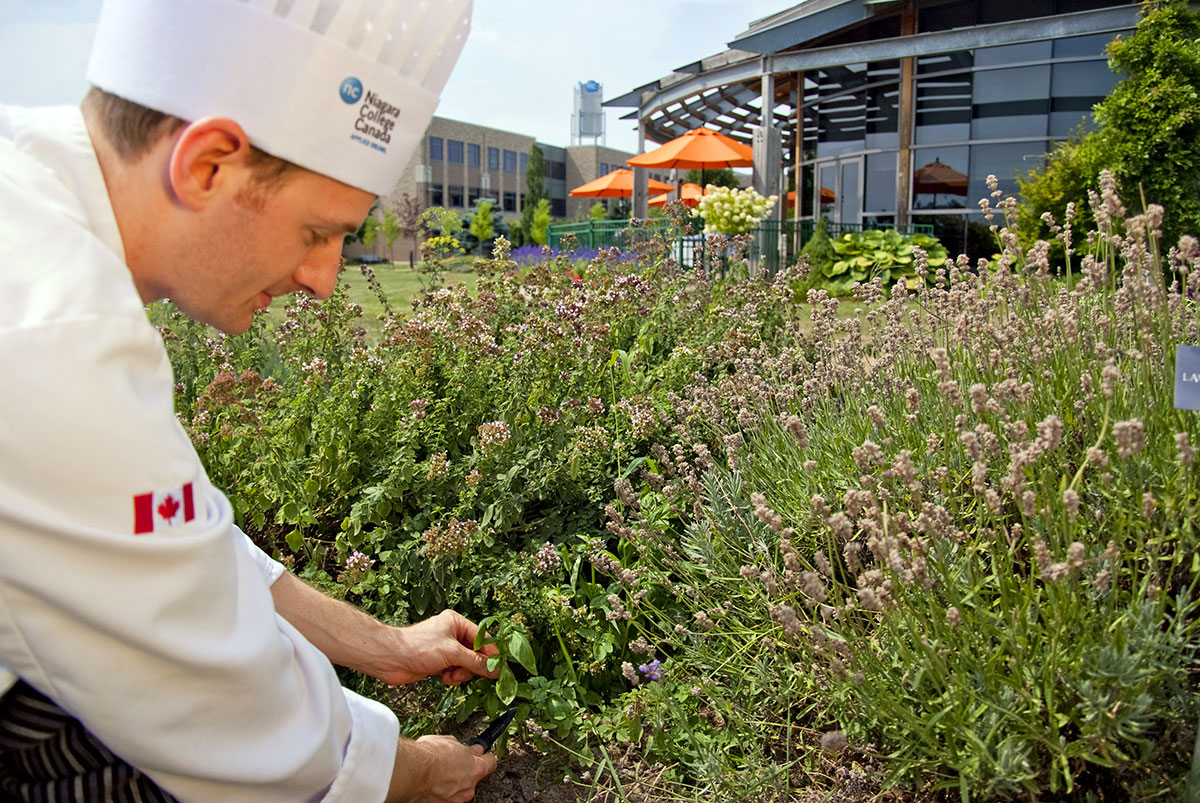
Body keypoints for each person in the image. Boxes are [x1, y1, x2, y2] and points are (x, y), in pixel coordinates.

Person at [0, 1, 499, 800]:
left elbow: (177, 538)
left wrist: (382, 643)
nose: (325, 279)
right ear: (208, 165)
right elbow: (225, 711)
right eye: (316, 232)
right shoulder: (55, 332)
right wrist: (413, 769)